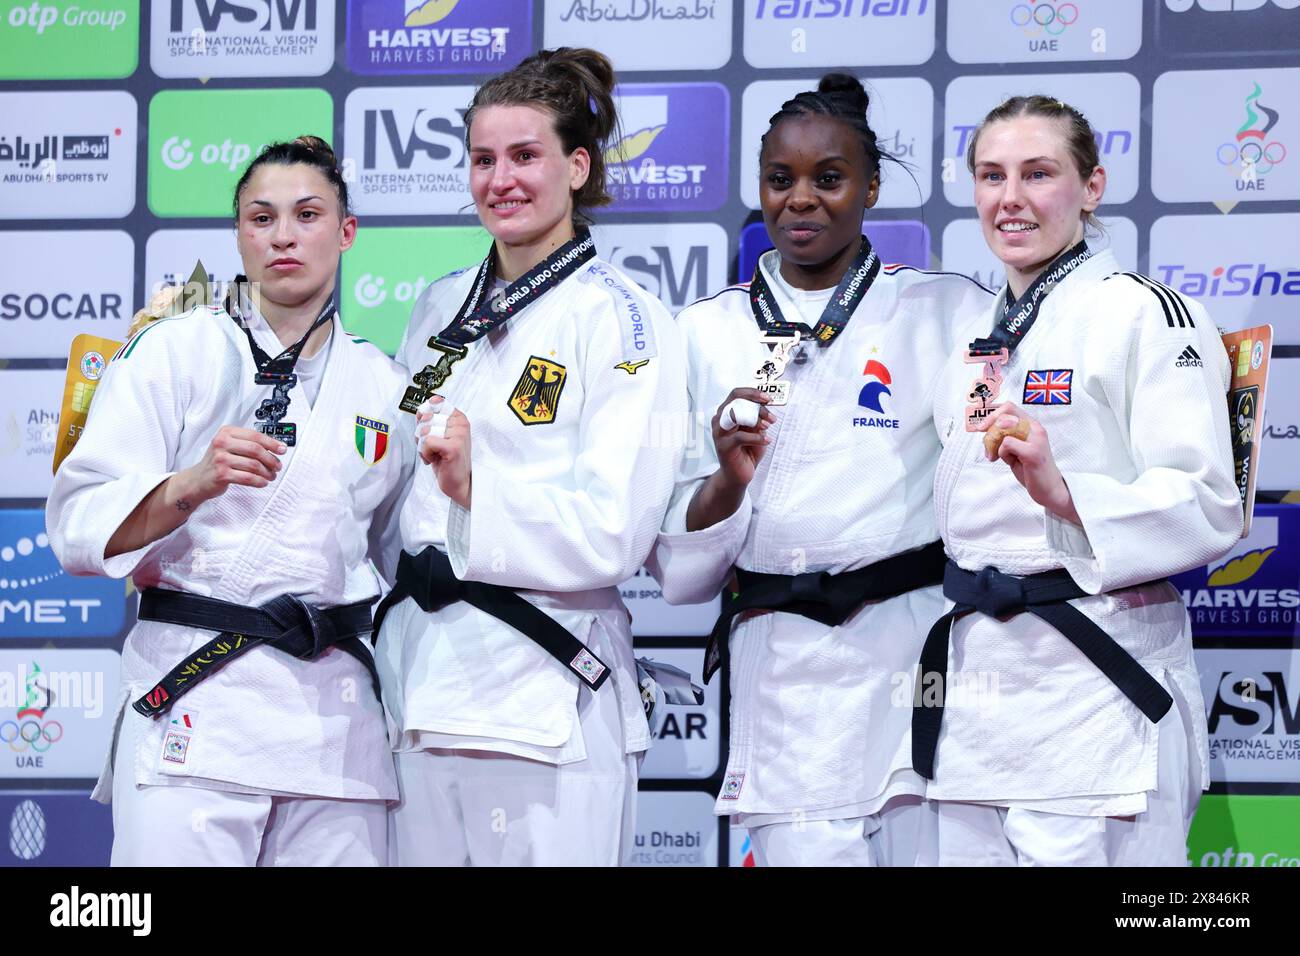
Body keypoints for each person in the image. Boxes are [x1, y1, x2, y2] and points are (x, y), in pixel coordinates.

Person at [647, 75, 994, 866]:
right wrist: (730, 479)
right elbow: (677, 560)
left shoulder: (947, 312)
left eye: (828, 179)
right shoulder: (701, 332)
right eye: (781, 180)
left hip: (915, 652)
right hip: (782, 671)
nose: (801, 200)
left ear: (870, 187)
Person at [46, 137, 413, 866]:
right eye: (261, 217)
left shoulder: (384, 384)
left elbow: (404, 561)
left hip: (335, 731)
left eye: (307, 215)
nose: (283, 235)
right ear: (238, 234)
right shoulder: (172, 352)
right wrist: (191, 484)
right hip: (198, 704)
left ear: (346, 232)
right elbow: (78, 525)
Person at [375, 47, 686, 867]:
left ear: (577, 166)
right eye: (483, 159)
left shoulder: (624, 318)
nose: (500, 180)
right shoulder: (441, 302)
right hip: (422, 680)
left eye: (525, 156)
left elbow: (615, 529)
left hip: (545, 684)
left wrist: (480, 487)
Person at [916, 95, 1242, 865]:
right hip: (979, 689)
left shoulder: (1147, 315)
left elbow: (1208, 503)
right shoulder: (976, 338)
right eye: (991, 176)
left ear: (1091, 187)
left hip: (1099, 679)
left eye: (1038, 173)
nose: (1010, 198)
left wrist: (1065, 494)